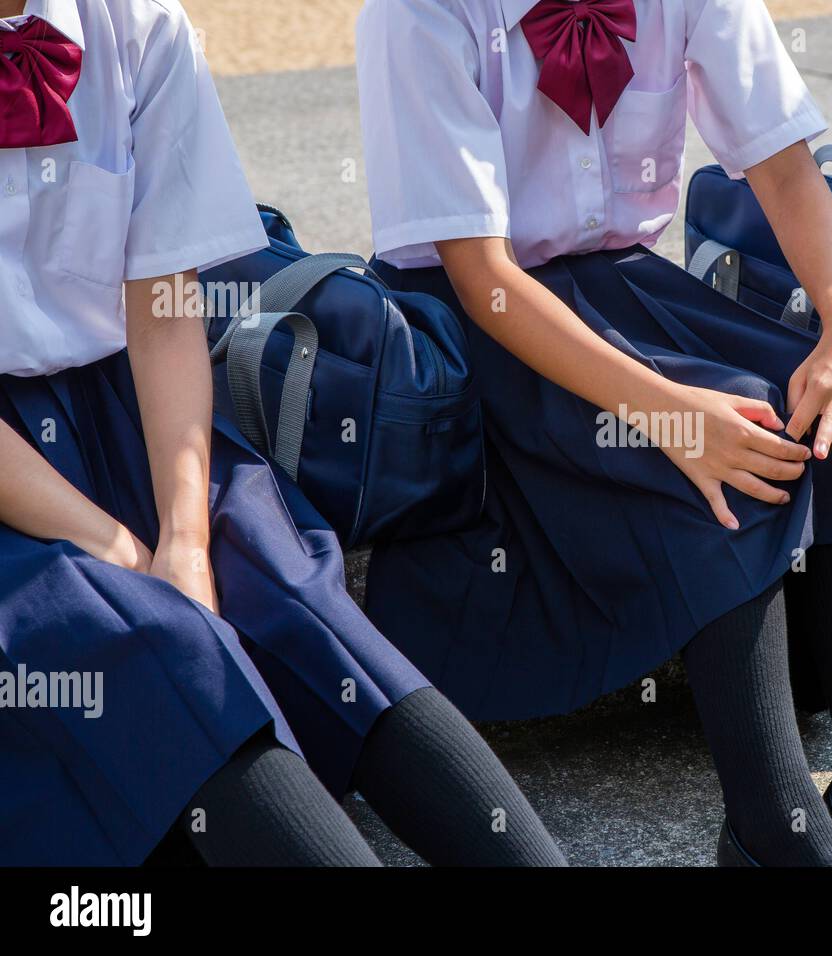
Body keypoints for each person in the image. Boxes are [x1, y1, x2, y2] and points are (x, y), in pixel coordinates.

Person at [356, 0, 832, 867]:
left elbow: (784, 168)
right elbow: (480, 274)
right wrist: (673, 414)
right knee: (734, 434)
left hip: (625, 287)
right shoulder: (418, 11)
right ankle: (774, 828)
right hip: (482, 322)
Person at [0, 0, 565, 867]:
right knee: (140, 633)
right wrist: (105, 539)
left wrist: (184, 537)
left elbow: (164, 306)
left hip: (127, 402)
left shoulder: (134, 24)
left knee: (284, 584)